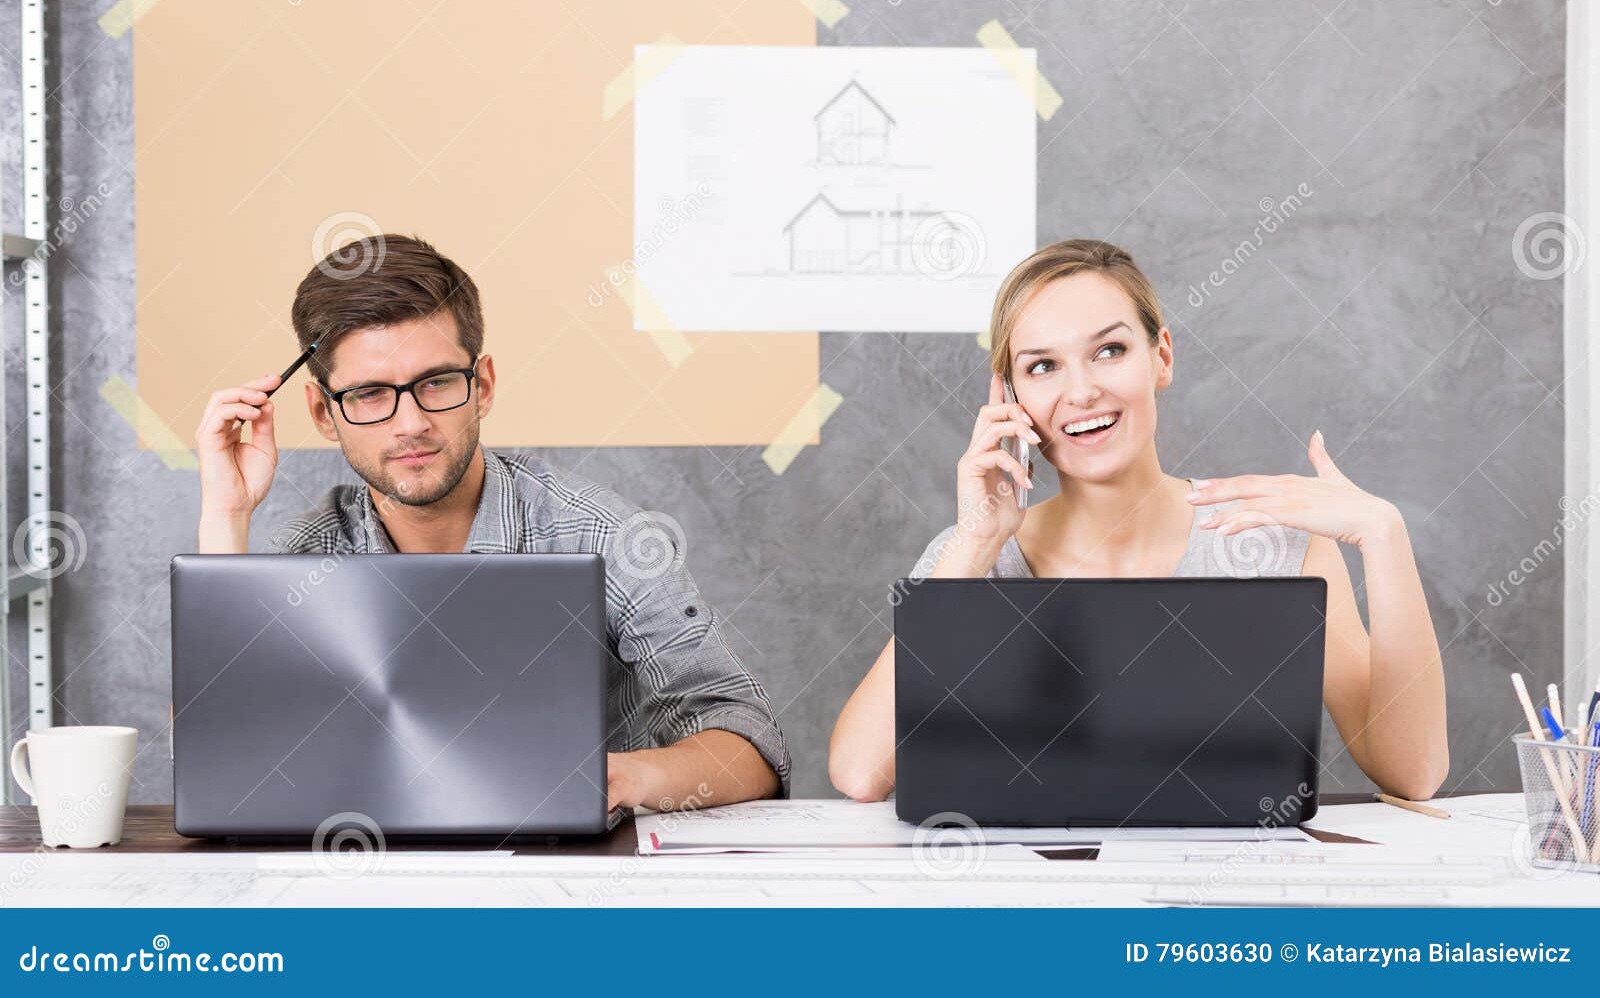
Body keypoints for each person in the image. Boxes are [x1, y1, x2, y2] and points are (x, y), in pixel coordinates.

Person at [829, 238, 1448, 803]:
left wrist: (1383, 534)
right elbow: (863, 774)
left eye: (1109, 351)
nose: (1081, 391)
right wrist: (972, 546)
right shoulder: (971, 559)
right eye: (1042, 366)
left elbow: (1411, 772)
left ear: (1162, 357)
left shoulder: (1271, 548)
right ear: (1011, 400)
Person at [195, 234, 788, 811]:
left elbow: (749, 739)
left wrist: (621, 775)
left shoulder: (605, 536)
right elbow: (221, 751)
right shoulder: (306, 557)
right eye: (371, 394)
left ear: (482, 387)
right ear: (324, 413)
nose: (411, 424)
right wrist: (227, 517)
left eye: (436, 382)